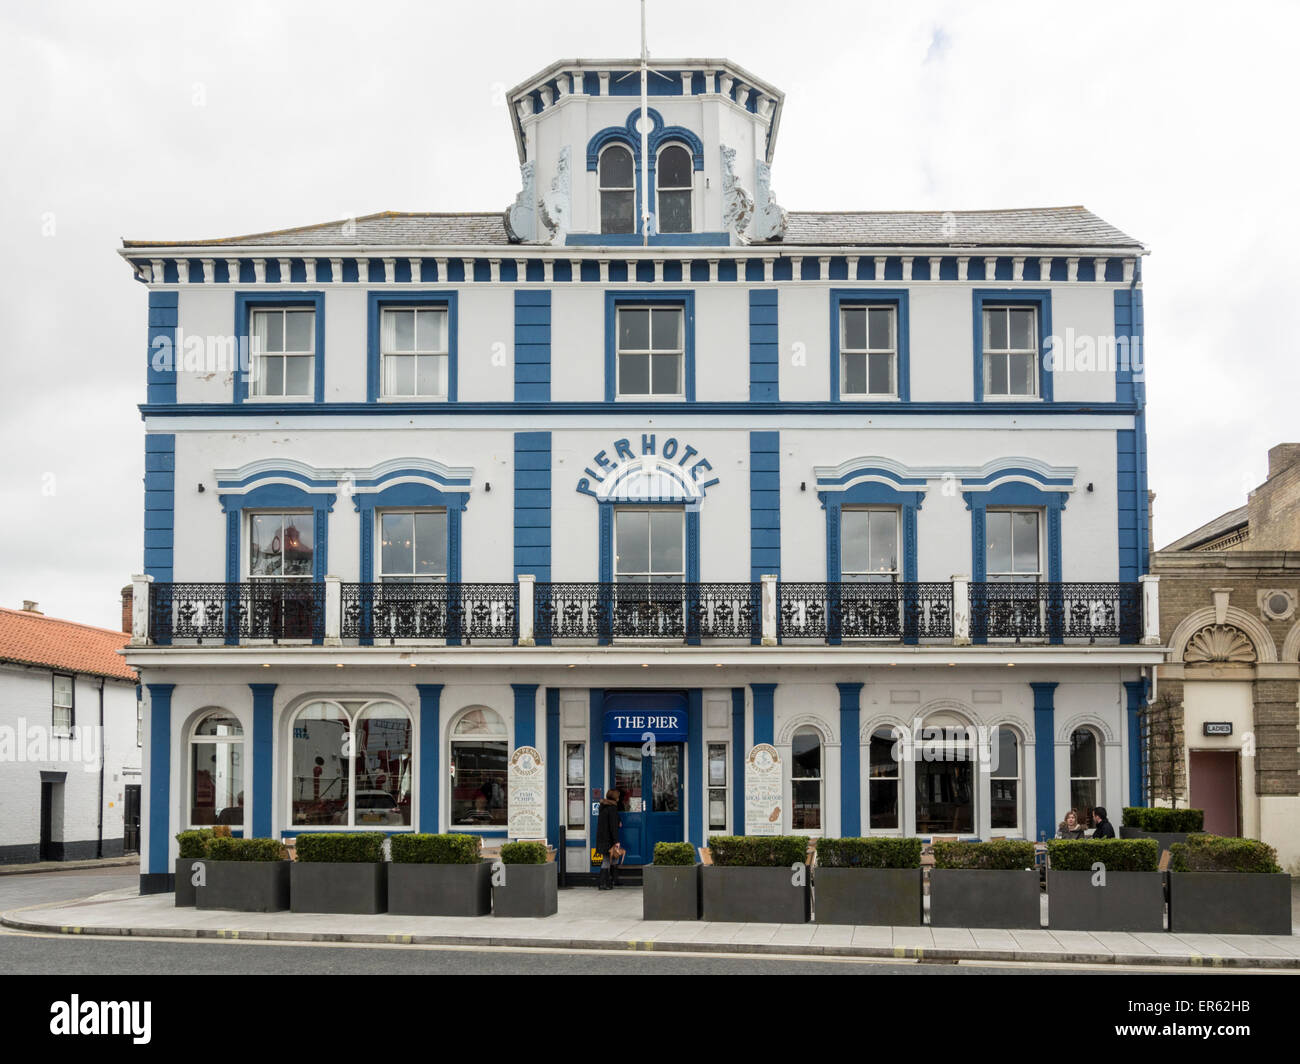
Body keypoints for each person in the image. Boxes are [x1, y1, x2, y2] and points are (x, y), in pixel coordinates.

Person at [595, 789, 622, 890]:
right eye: (618, 796)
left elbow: (612, 820)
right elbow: (613, 827)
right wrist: (616, 841)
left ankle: (614, 880)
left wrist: (618, 820)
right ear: (615, 797)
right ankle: (602, 884)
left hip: (603, 838)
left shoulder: (605, 807)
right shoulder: (612, 808)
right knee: (606, 860)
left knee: (614, 858)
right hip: (608, 839)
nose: (619, 798)